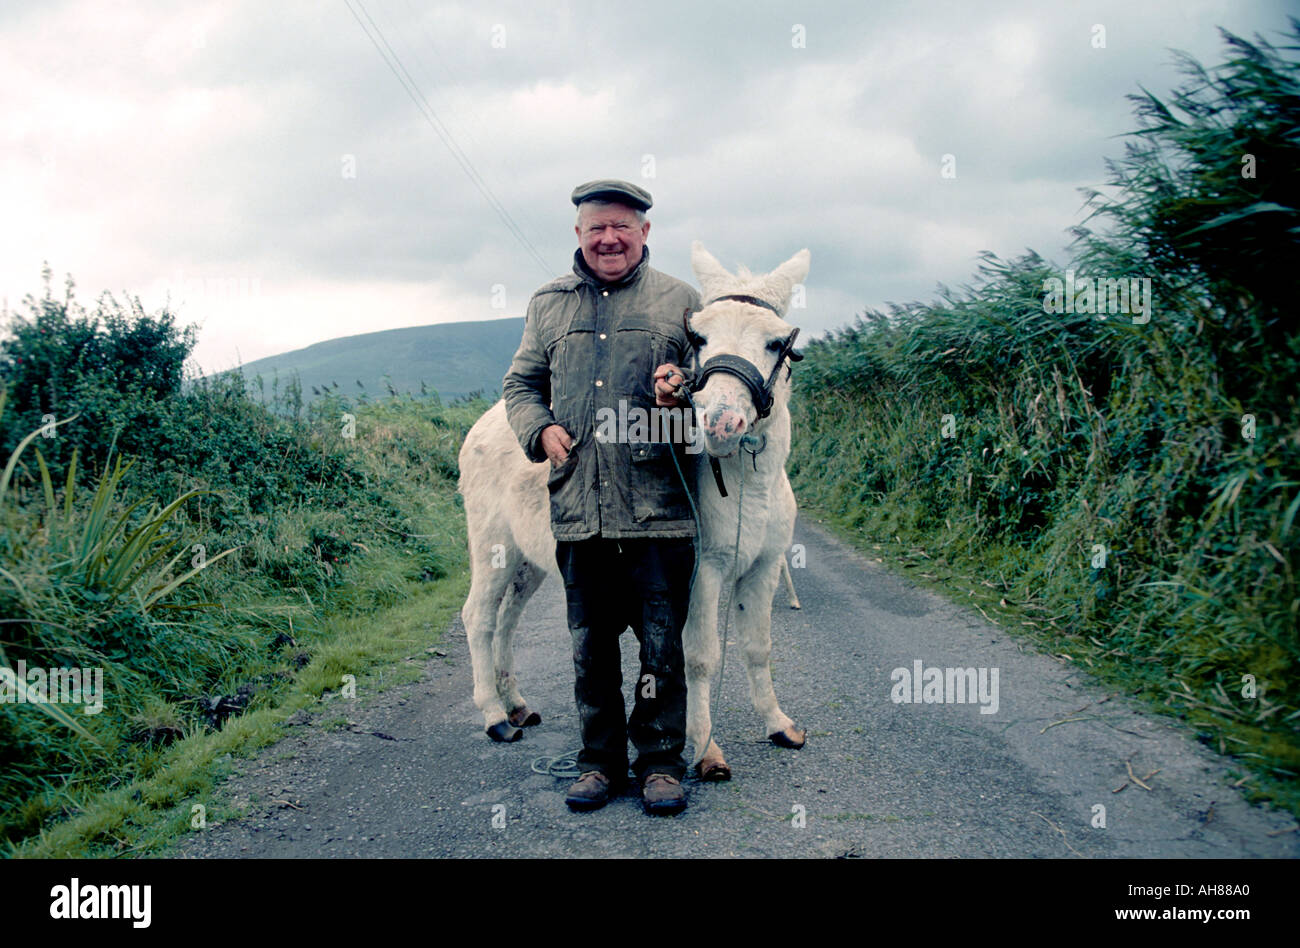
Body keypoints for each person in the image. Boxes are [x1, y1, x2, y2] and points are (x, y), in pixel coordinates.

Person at [502, 179, 700, 815]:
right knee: (590, 648)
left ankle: (662, 762)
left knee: (660, 649)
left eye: (621, 226)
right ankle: (600, 762)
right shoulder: (548, 304)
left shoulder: (681, 301)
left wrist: (683, 390)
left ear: (644, 232)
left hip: (660, 511)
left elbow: (715, 384)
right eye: (596, 228)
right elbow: (521, 383)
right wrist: (540, 428)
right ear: (579, 235)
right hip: (579, 509)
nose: (608, 238)